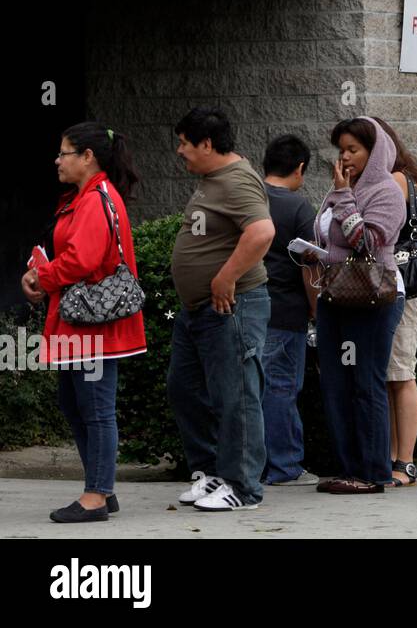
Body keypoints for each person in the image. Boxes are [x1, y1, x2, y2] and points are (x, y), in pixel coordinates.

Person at [21, 123, 145, 523]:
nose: (57, 160)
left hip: (92, 328)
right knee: (77, 404)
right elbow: (64, 251)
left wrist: (43, 278)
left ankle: (96, 494)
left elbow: (81, 260)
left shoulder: (95, 199)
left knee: (93, 408)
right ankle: (100, 487)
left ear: (87, 157)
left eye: (64, 152)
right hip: (81, 324)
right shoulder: (86, 197)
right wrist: (37, 272)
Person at [167, 108, 275, 511]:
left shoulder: (237, 179)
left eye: (184, 143)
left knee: (238, 397)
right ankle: (212, 474)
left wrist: (226, 276)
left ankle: (243, 487)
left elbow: (262, 231)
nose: (180, 151)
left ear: (207, 144)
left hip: (233, 305)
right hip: (199, 310)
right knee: (184, 389)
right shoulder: (213, 179)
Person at [310, 118, 407, 494]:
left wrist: (343, 196)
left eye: (354, 150)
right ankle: (349, 468)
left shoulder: (385, 190)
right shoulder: (343, 188)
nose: (345, 157)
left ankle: (373, 473)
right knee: (336, 384)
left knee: (366, 384)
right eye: (342, 150)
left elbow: (365, 242)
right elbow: (331, 238)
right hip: (336, 297)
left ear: (375, 150)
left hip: (374, 299)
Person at [372, 116, 417, 488]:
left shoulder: (394, 181)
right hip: (394, 286)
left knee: (400, 370)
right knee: (392, 374)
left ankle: (405, 461)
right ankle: (394, 457)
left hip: (403, 286)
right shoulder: (401, 176)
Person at [259, 134, 319, 488]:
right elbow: (309, 267)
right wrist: (316, 310)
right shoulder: (298, 208)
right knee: (281, 388)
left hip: (240, 308)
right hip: (284, 313)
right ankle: (285, 467)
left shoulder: (246, 199)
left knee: (249, 389)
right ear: (299, 169)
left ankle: (252, 465)